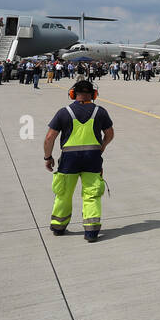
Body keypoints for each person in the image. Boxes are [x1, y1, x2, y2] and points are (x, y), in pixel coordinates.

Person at [42, 79, 114, 242]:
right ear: (94, 94)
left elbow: (49, 137)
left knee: (63, 194)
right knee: (91, 195)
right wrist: (100, 149)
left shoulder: (63, 112)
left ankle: (59, 227)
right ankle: (91, 232)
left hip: (69, 160)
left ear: (73, 93)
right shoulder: (100, 112)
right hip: (92, 159)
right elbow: (109, 134)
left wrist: (48, 157)